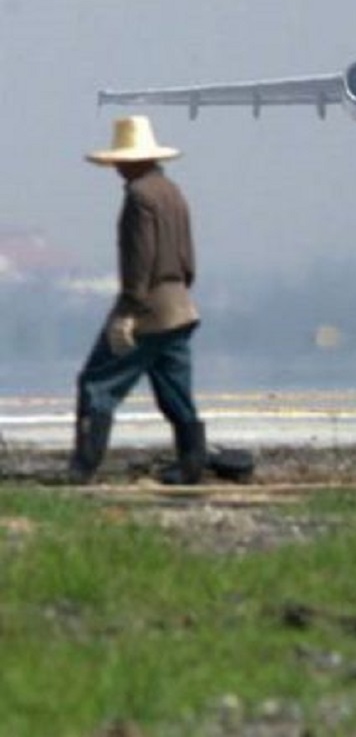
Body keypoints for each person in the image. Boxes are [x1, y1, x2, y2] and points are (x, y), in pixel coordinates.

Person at [70, 115, 206, 485]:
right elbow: (187, 256)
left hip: (148, 309)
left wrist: (129, 310)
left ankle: (83, 467)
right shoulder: (172, 191)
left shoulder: (139, 197)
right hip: (179, 306)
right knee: (175, 390)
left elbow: (139, 257)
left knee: (97, 383)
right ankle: (192, 462)